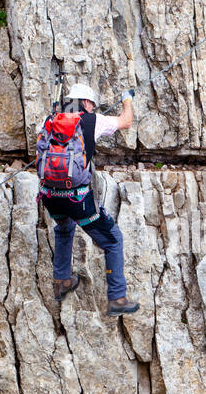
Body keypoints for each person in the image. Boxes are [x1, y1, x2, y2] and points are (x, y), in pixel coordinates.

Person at [36, 83, 140, 315]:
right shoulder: (92, 120)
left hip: (50, 195)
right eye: (91, 104)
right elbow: (126, 121)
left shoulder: (49, 121)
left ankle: (61, 280)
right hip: (77, 198)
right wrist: (127, 99)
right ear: (85, 102)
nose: (93, 108)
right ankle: (117, 298)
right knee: (113, 239)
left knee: (64, 226)